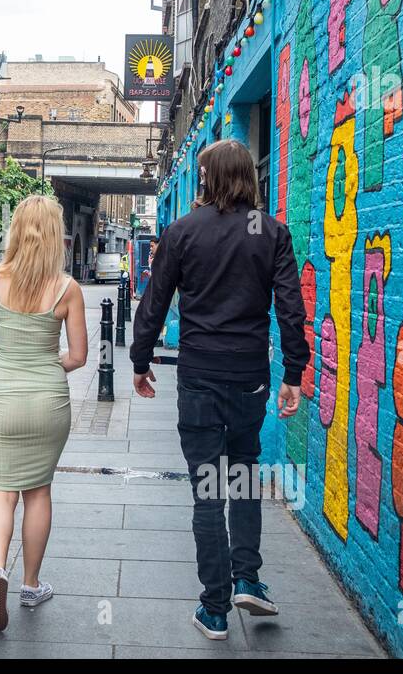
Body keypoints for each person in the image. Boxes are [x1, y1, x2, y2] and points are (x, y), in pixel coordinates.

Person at [129, 139, 309, 641]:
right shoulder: (270, 233)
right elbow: (290, 309)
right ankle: (247, 576)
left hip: (200, 379)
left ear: (207, 179)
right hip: (250, 379)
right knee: (246, 472)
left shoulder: (183, 231)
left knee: (207, 489)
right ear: (249, 177)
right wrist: (295, 371)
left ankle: (214, 607)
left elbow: (154, 302)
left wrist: (140, 361)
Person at [0, 194, 87, 632]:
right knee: (38, 491)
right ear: (56, 236)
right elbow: (78, 356)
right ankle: (30, 584)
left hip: (3, 398)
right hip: (47, 401)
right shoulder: (66, 287)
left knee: (1, 490)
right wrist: (48, 360)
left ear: (16, 231)